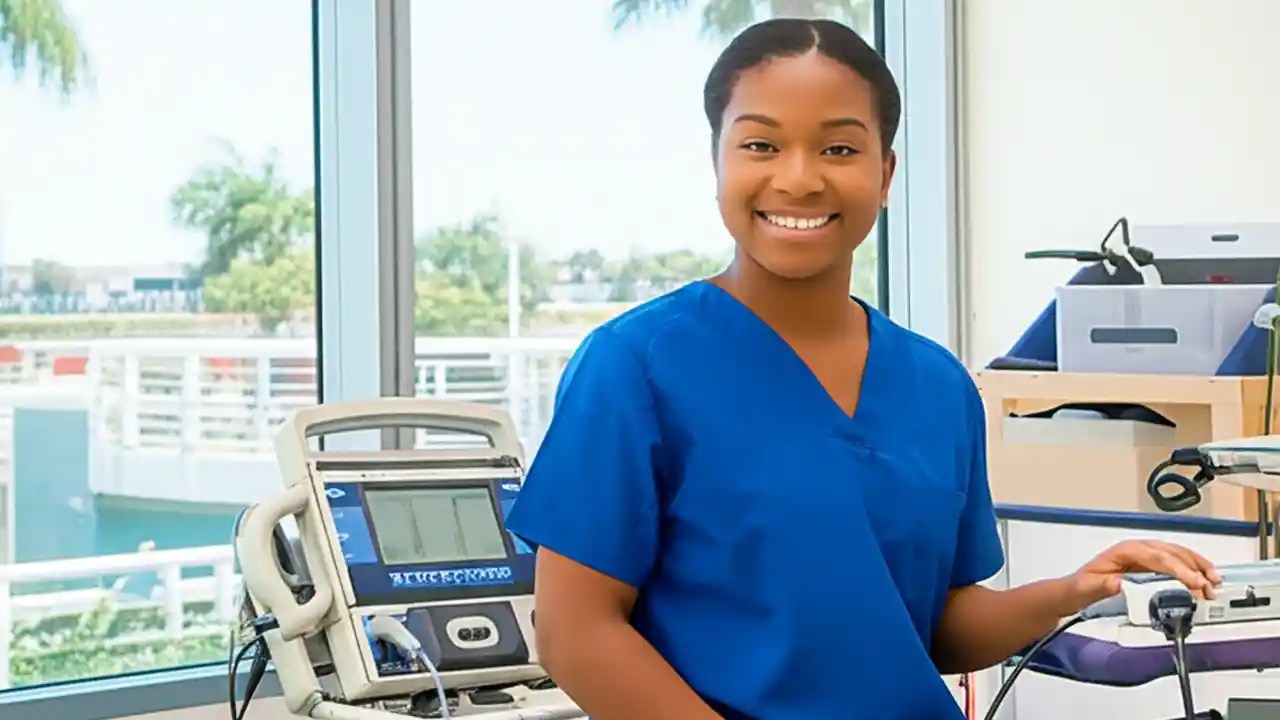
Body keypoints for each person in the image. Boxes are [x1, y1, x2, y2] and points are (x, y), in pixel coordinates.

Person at [504, 17, 1221, 720]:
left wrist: (1074, 590)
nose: (798, 179)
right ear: (718, 162)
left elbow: (937, 628)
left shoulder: (937, 386)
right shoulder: (635, 366)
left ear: (885, 174)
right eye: (759, 143)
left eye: (839, 150)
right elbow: (577, 633)